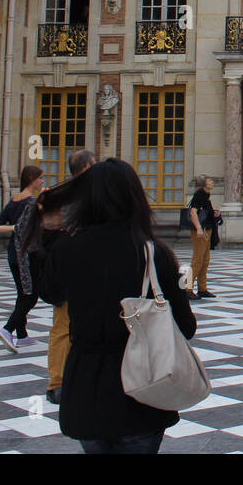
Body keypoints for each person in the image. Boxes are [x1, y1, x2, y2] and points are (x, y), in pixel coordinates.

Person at [38, 158, 197, 454]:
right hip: (143, 392)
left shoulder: (67, 249)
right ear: (134, 197)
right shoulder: (153, 253)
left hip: (86, 391)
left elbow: (48, 292)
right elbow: (186, 328)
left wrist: (48, 233)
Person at [34, 149, 95, 404]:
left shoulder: (68, 195)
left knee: (76, 326)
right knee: (63, 326)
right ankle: (57, 382)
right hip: (70, 272)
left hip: (82, 269)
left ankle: (77, 377)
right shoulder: (67, 197)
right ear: (87, 167)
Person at [0, 165, 44, 352]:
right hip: (27, 256)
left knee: (22, 293)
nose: (42, 181)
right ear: (32, 179)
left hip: (13, 254)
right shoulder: (32, 202)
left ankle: (22, 335)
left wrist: (14, 228)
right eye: (40, 178)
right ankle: (8, 329)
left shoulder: (13, 201)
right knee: (30, 296)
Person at [185, 176, 219, 300]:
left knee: (205, 260)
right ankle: (187, 288)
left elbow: (206, 211)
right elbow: (193, 212)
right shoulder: (199, 195)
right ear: (204, 184)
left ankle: (202, 288)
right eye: (210, 181)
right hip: (200, 231)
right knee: (197, 260)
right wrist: (198, 228)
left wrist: (214, 213)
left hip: (207, 229)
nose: (212, 182)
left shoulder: (206, 195)